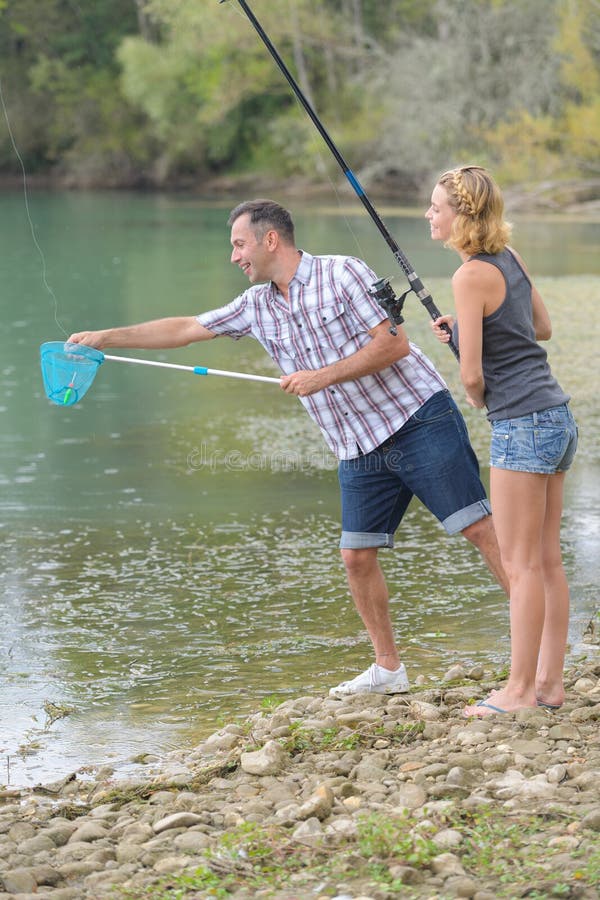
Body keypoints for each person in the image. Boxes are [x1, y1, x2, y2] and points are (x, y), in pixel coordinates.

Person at [68, 198, 508, 698]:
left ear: (270, 239)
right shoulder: (255, 305)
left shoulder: (342, 273)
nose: (235, 256)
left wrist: (321, 377)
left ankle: (537, 646)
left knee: (478, 528)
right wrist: (106, 338)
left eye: (240, 245)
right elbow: (186, 328)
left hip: (416, 417)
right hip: (357, 444)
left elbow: (394, 344)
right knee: (356, 556)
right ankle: (388, 670)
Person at [427, 166, 578, 717]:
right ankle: (549, 685)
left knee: (520, 565)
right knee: (547, 561)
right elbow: (541, 328)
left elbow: (472, 377)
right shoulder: (509, 258)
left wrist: (476, 394)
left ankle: (517, 692)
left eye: (437, 207)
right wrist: (470, 326)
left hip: (522, 425)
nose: (429, 215)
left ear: (462, 216)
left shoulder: (469, 276)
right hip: (557, 416)